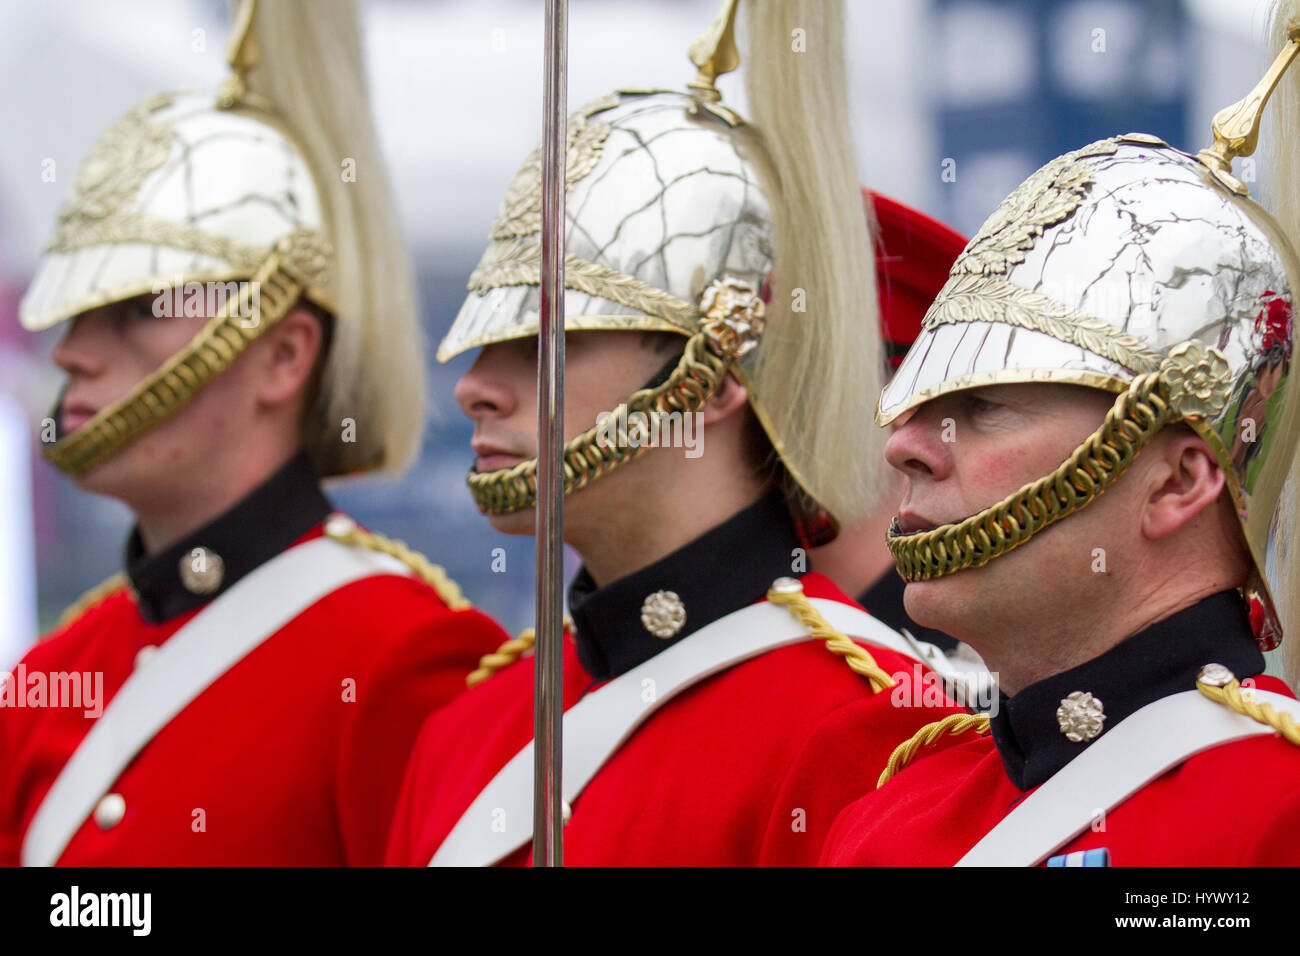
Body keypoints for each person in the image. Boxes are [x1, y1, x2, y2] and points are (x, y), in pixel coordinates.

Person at [385, 0, 969, 867]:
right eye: (486, 343)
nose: (475, 388)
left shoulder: (873, 728)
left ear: (720, 378)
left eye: (548, 345)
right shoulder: (469, 726)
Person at [0, 0, 506, 866]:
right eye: (76, 312)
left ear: (282, 354)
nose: (76, 353)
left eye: (136, 311)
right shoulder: (54, 672)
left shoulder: (405, 659)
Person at [822, 5, 1300, 867]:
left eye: (989, 407)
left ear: (1179, 482)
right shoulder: (892, 814)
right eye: (920, 404)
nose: (905, 446)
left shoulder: (1276, 813)